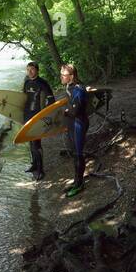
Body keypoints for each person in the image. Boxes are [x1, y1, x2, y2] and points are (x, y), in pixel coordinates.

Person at [58, 62, 94, 192]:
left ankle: (80, 185)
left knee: (78, 154)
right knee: (74, 154)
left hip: (79, 124)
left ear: (72, 76)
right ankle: (76, 181)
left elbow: (75, 111)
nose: (61, 77)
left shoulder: (78, 89)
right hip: (72, 124)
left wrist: (65, 111)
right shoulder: (69, 87)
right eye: (61, 74)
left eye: (64, 75)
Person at [19, 60, 52, 178]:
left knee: (36, 143)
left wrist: (46, 115)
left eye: (32, 69)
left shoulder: (43, 83)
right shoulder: (26, 82)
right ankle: (34, 165)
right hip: (27, 115)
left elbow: (51, 99)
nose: (29, 72)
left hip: (38, 116)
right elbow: (22, 98)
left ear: (37, 70)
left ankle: (41, 169)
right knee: (30, 141)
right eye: (28, 70)